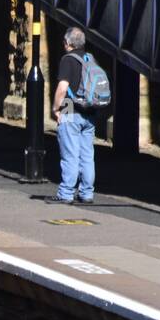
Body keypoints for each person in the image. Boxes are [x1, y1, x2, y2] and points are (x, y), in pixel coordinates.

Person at [49, 27, 96, 204]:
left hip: (69, 106)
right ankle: (86, 193)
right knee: (87, 154)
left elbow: (62, 88)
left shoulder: (68, 60)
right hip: (90, 110)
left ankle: (66, 193)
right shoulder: (89, 58)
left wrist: (55, 109)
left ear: (68, 43)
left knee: (69, 153)